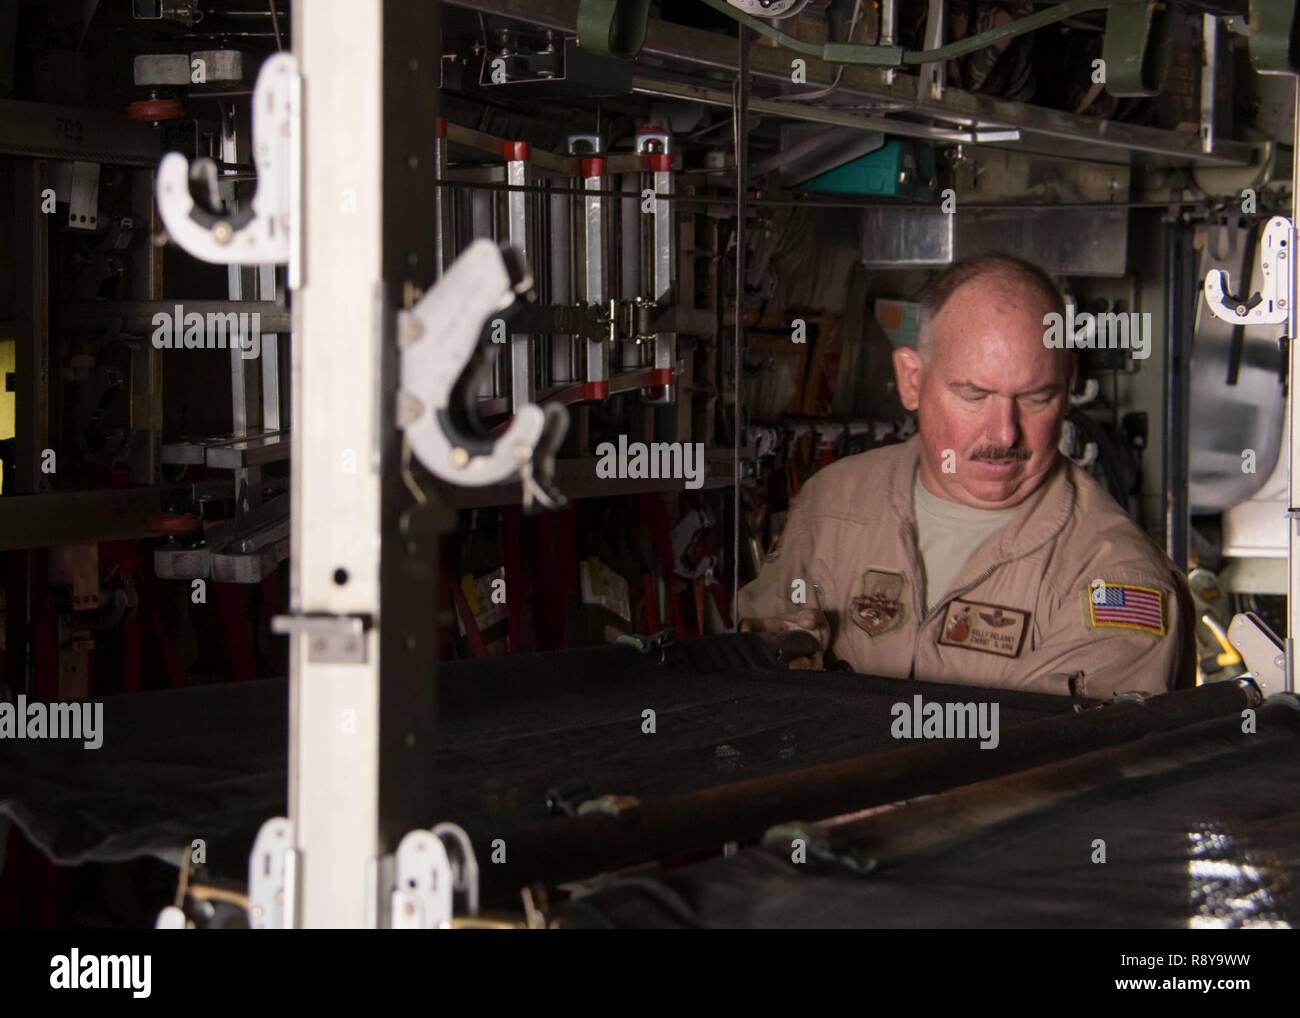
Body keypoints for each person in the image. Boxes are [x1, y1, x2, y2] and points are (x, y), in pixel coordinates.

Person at [738, 254, 1193, 698]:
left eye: (1036, 397)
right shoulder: (833, 502)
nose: (1004, 431)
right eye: (974, 394)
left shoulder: (1115, 579)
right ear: (912, 380)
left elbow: (1065, 767)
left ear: (1068, 383)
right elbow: (753, 674)